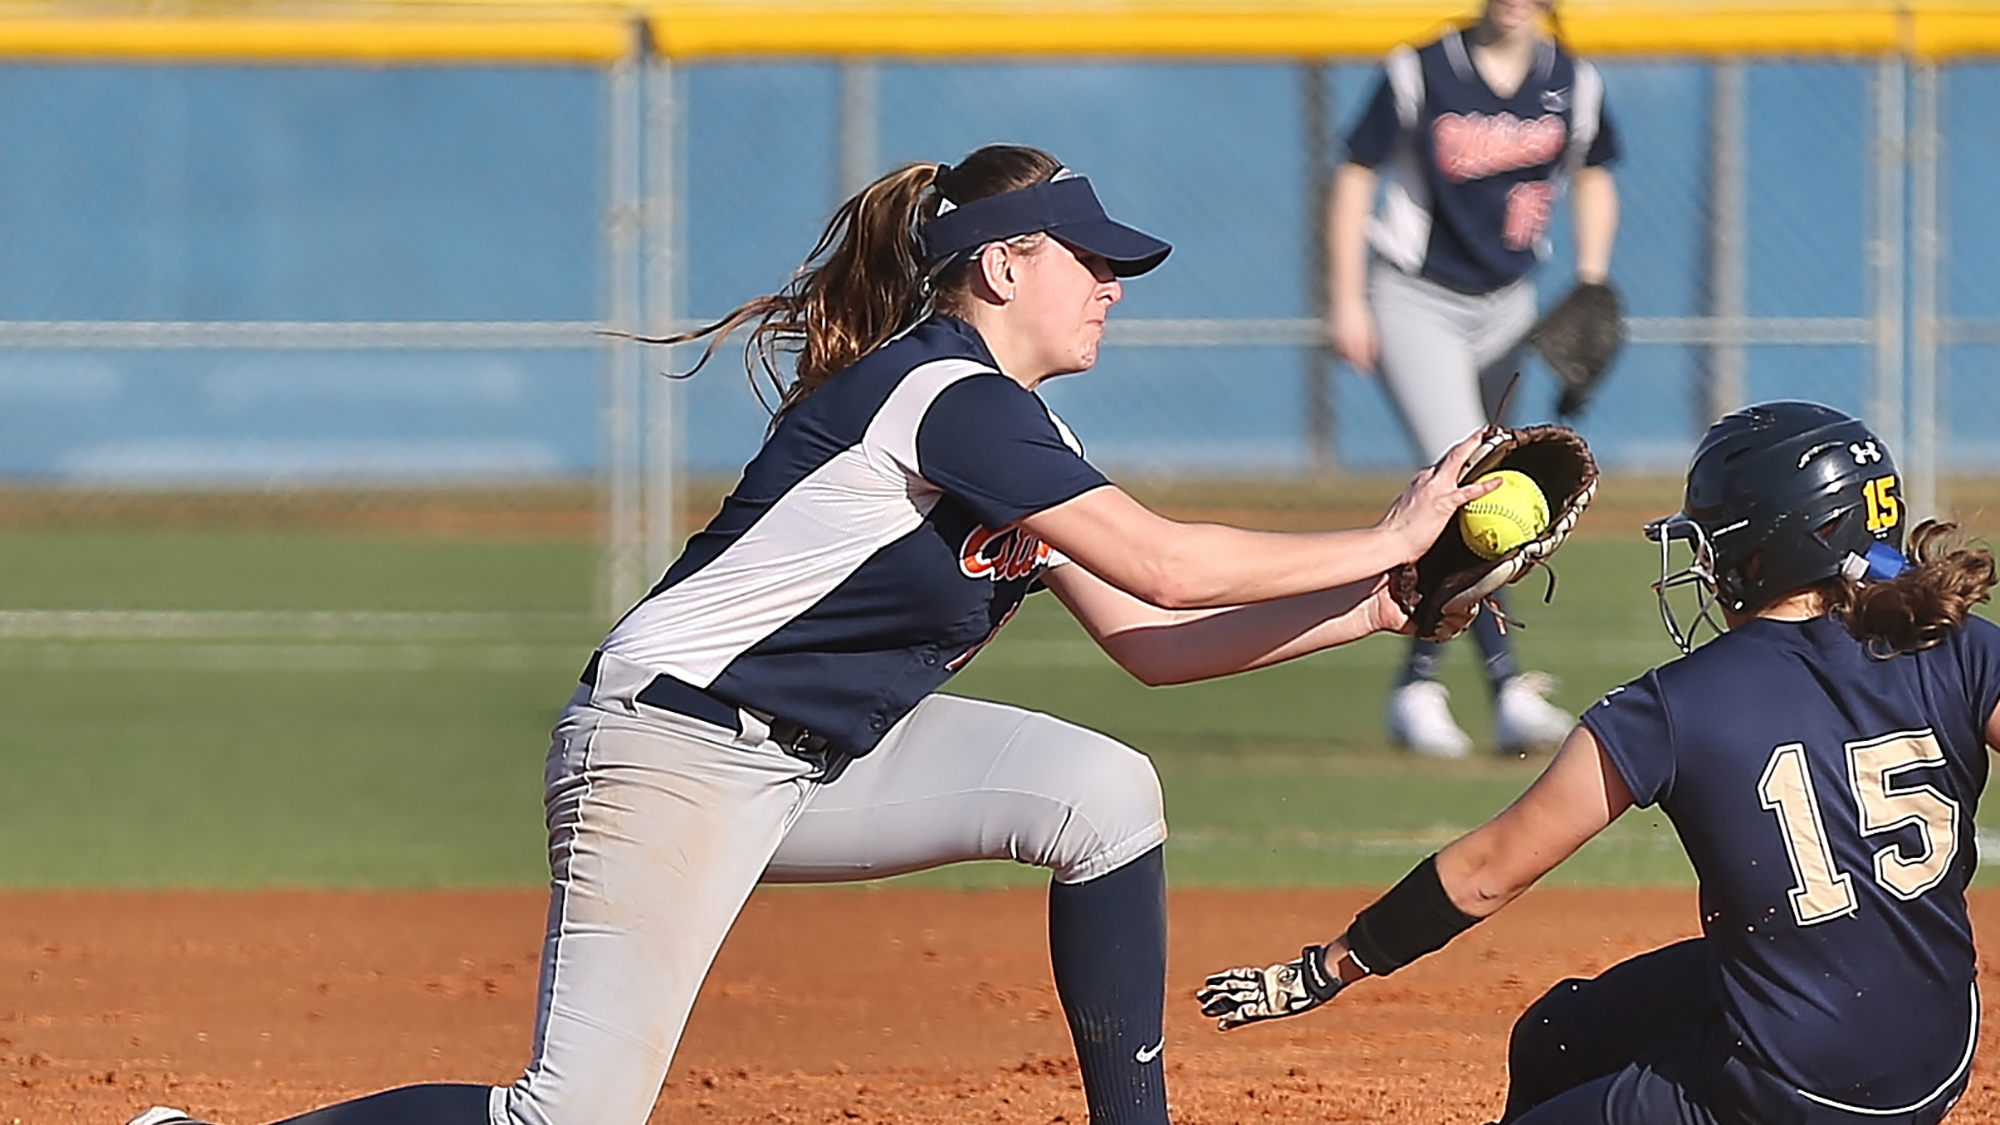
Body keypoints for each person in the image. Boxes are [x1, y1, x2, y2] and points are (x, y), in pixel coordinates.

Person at [127, 143, 1505, 1125]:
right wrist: (1386, 533)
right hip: (665, 753)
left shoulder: (1019, 429)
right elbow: (1168, 561)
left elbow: (1149, 635)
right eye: (1091, 260)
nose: (1113, 285)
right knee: (569, 1116)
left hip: (816, 765)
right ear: (1004, 263)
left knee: (1106, 793)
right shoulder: (939, 395)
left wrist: (1377, 607)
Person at [1197, 400, 1997, 1125]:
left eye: (1714, 533)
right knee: (1558, 1036)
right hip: (1937, 1049)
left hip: (1783, 1092)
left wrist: (1326, 966)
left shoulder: (1675, 704)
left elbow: (1487, 870)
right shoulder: (1958, 642)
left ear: (1765, 543)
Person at [1329, 0, 1622, 757]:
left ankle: (1417, 685)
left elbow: (1595, 174)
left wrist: (1592, 278)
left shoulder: (1571, 78)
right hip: (1414, 296)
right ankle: (1501, 689)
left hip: (1509, 304)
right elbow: (1356, 174)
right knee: (1474, 479)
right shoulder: (1421, 68)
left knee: (1487, 481)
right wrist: (1346, 298)